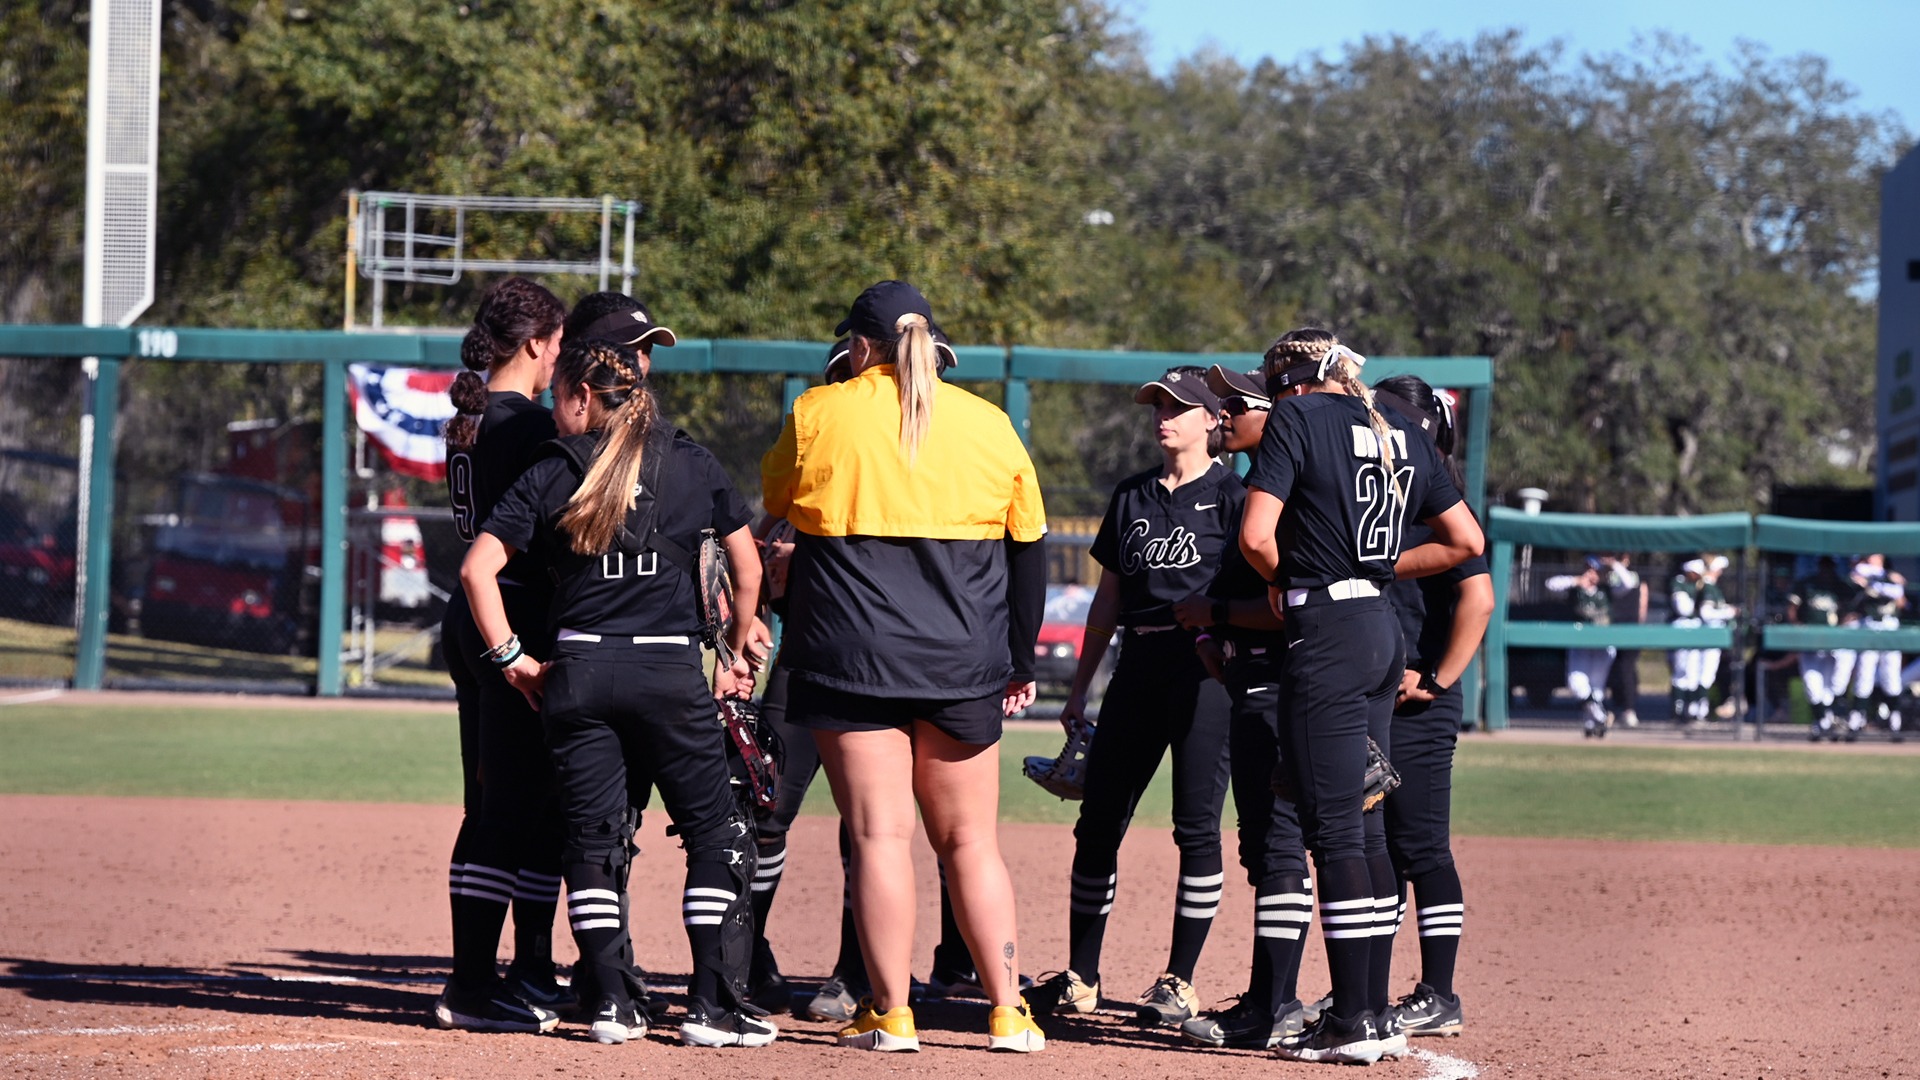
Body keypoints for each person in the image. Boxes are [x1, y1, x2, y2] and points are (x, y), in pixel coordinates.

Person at [461, 337, 776, 1048]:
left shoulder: (554, 466)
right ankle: (710, 1005)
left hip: (575, 674)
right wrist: (735, 647)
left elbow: (478, 572)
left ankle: (610, 1004)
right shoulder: (690, 460)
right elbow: (746, 567)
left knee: (594, 840)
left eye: (558, 398)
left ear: (579, 396)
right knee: (716, 834)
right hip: (667, 674)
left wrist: (514, 661)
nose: (551, 410)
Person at [761, 280, 1048, 1053]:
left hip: (851, 657)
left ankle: (890, 1015)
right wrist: (1020, 660)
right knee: (971, 844)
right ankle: (1009, 1013)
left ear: (858, 347)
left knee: (880, 837)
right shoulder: (989, 423)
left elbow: (779, 501)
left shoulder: (819, 413)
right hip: (963, 662)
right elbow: (1029, 552)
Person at [1237, 328, 1482, 1066]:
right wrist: (1377, 565)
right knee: (1367, 829)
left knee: (1336, 832)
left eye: (1274, 384)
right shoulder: (1400, 423)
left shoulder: (1299, 417)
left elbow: (1255, 536)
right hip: (1381, 626)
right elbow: (1465, 540)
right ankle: (1369, 1014)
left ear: (1298, 381)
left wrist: (1291, 579)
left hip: (1330, 629)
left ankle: (1351, 1019)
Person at [1025, 366, 1240, 1031]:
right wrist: (1081, 686)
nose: (1163, 416)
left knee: (1196, 826)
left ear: (1212, 421)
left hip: (1205, 671)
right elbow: (1108, 601)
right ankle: (1082, 977)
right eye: (1157, 405)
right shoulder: (1132, 495)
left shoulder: (1235, 497)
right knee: (1098, 821)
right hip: (1138, 666)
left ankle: (1179, 980)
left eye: (1179, 407)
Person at [436, 276, 568, 1034]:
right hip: (510, 621)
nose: (557, 360)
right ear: (533, 345)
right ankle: (477, 986)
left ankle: (515, 970)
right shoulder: (523, 427)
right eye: (553, 346)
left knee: (491, 804)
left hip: (470, 620)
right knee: (518, 808)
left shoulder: (475, 418)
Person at [1171, 364, 1315, 1049]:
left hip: (1289, 686)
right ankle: (1267, 998)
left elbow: (1294, 603)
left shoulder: (1287, 493)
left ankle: (1278, 1003)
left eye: (1235, 404)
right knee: (1263, 844)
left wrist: (1216, 612)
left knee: (1283, 843)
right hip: (1252, 682)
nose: (1221, 414)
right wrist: (1213, 632)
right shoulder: (1261, 485)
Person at [1372, 375, 1490, 1040]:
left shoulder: (1442, 503)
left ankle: (1439, 992)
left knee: (1419, 847)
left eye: (1398, 416)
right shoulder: (1374, 496)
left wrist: (1438, 681)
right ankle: (1365, 989)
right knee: (1376, 848)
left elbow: (1480, 600)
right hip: (1372, 699)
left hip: (1420, 703)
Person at [1544, 559, 1615, 738]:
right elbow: (1551, 584)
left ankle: (1592, 726)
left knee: (1596, 686)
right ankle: (1601, 717)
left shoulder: (1607, 589)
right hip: (1580, 641)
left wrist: (1614, 564)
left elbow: (1629, 584)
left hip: (1603, 643)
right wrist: (1575, 580)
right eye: (1589, 569)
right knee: (1576, 683)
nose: (1592, 574)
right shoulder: (1576, 588)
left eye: (1596, 570)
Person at [1789, 557, 1857, 742]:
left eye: (1830, 566)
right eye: (1824, 566)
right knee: (1812, 686)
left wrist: (1842, 625)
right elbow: (1792, 609)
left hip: (1833, 643)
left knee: (1831, 687)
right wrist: (1798, 627)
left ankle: (1823, 725)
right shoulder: (1806, 584)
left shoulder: (1841, 586)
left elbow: (1853, 612)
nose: (1826, 570)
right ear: (1819, 566)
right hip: (1810, 642)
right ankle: (1824, 720)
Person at [1844, 554, 1907, 740]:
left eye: (1875, 556)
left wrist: (1877, 584)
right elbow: (1858, 574)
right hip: (1870, 626)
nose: (1871, 559)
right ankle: (1856, 721)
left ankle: (1895, 723)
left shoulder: (1889, 574)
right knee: (1864, 675)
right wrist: (1879, 582)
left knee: (1891, 677)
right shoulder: (1864, 570)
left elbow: (1898, 595)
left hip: (1890, 626)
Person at [1602, 555, 1648, 727]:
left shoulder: (1630, 576)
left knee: (1627, 670)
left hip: (1629, 630)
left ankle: (1629, 709)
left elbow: (1628, 583)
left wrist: (1614, 564)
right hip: (1610, 630)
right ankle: (1604, 709)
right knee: (1609, 671)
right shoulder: (1604, 577)